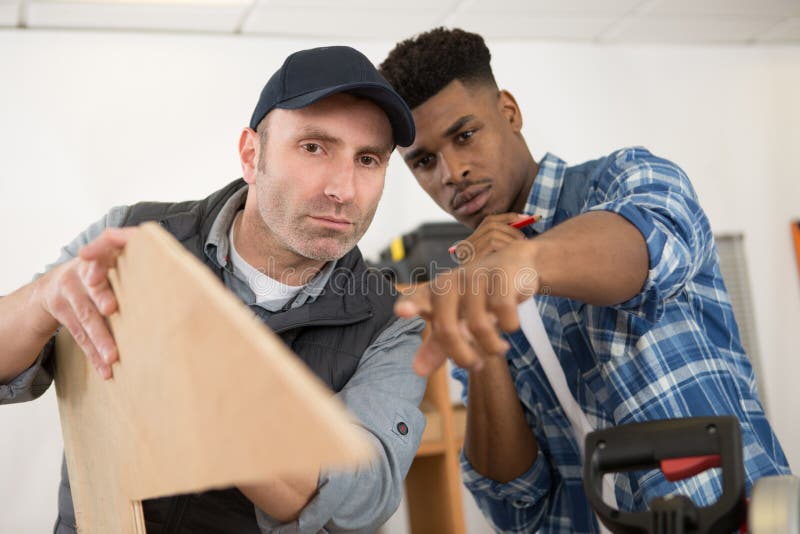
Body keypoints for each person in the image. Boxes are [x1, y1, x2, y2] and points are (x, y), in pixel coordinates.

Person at [0, 45, 427, 533]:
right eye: (314, 147)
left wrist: (208, 396)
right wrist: (42, 301)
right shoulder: (131, 234)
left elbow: (363, 497)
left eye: (368, 159)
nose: (344, 189)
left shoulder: (395, 324)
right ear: (252, 153)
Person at [380, 28, 790, 533]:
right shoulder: (474, 278)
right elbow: (515, 498)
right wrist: (480, 333)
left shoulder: (624, 178)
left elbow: (650, 243)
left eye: (465, 136)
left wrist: (519, 265)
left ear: (509, 112)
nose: (452, 172)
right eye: (424, 161)